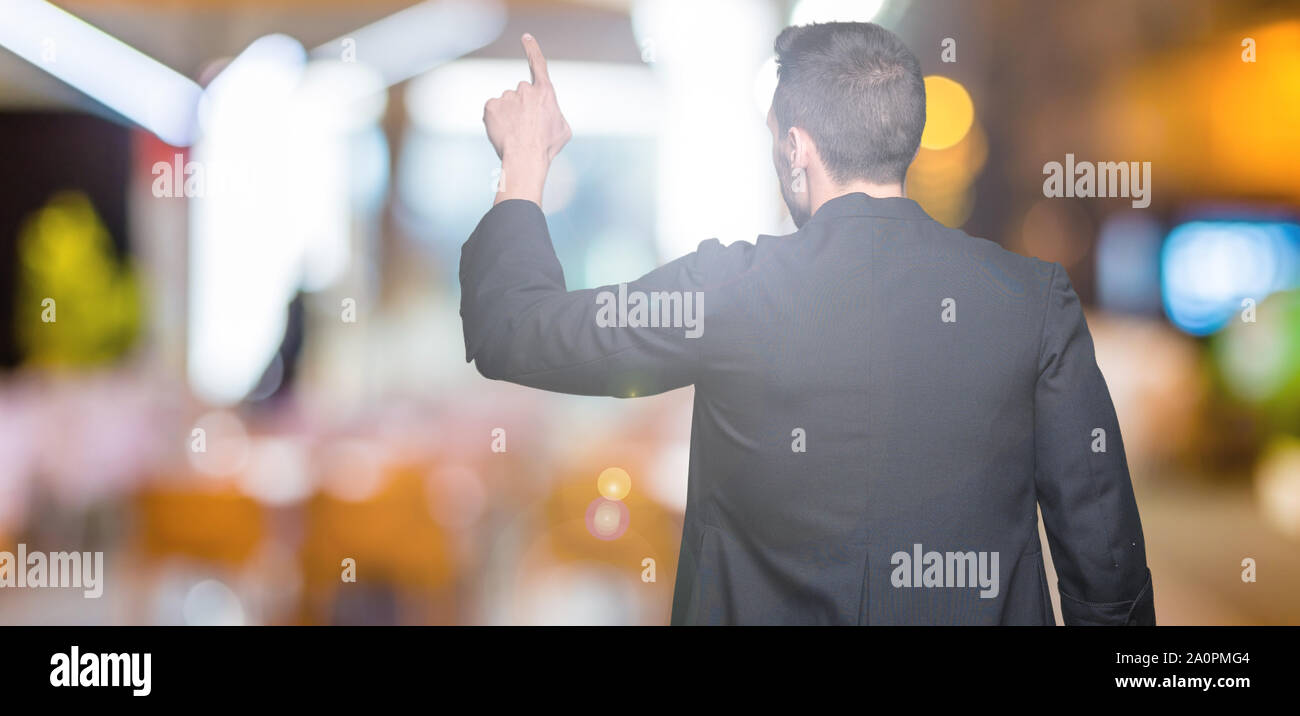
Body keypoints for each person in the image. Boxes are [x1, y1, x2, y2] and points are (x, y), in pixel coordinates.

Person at [461, 23, 1154, 625]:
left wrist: (524, 161)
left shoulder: (727, 291)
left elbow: (515, 329)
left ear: (796, 148)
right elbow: (1103, 559)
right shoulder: (1030, 300)